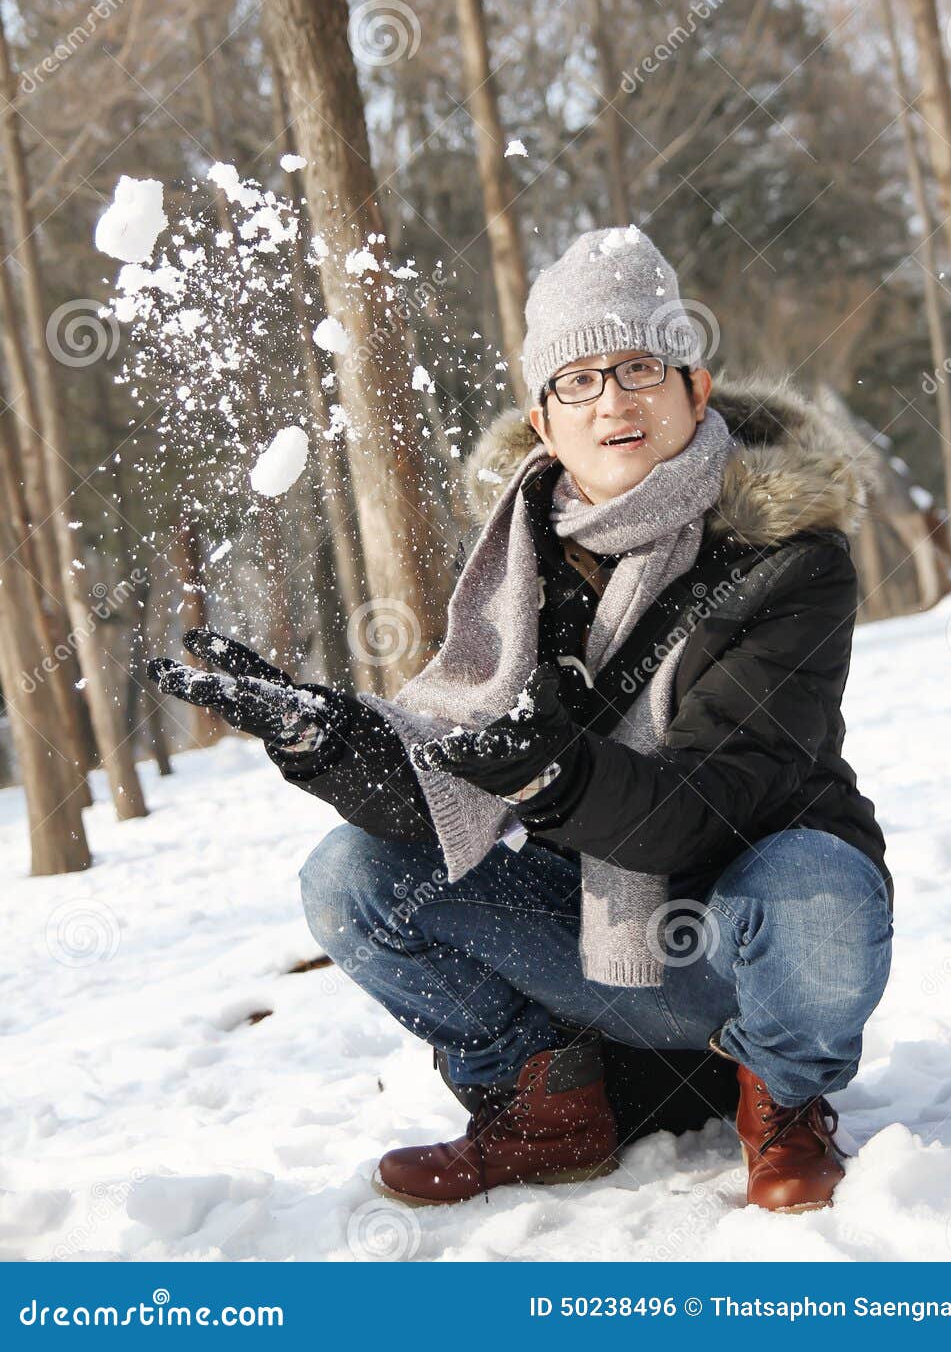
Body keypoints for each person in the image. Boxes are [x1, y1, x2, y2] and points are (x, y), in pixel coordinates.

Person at [150, 226, 893, 1216]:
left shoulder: (786, 560)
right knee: (352, 875)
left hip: (739, 944)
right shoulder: (517, 564)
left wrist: (554, 777)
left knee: (817, 881)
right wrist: (323, 740)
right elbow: (446, 781)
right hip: (582, 938)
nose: (613, 401)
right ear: (543, 421)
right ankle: (547, 1103)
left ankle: (784, 1103)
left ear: (694, 388)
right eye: (577, 381)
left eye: (637, 366)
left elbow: (711, 800)